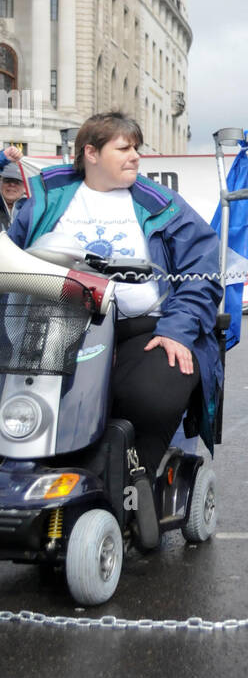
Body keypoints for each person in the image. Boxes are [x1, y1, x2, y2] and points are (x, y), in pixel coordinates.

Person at [6, 111, 222, 474]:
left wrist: (177, 330)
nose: (135, 156)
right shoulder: (47, 199)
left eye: (136, 148)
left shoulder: (162, 204)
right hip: (52, 327)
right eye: (124, 148)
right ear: (91, 153)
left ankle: (132, 488)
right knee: (37, 400)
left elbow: (202, 274)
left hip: (144, 328)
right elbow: (10, 261)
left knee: (151, 395)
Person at [0, 161, 26, 229]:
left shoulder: (31, 210)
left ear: (24, 187)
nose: (12, 184)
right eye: (7, 180)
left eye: (17, 182)